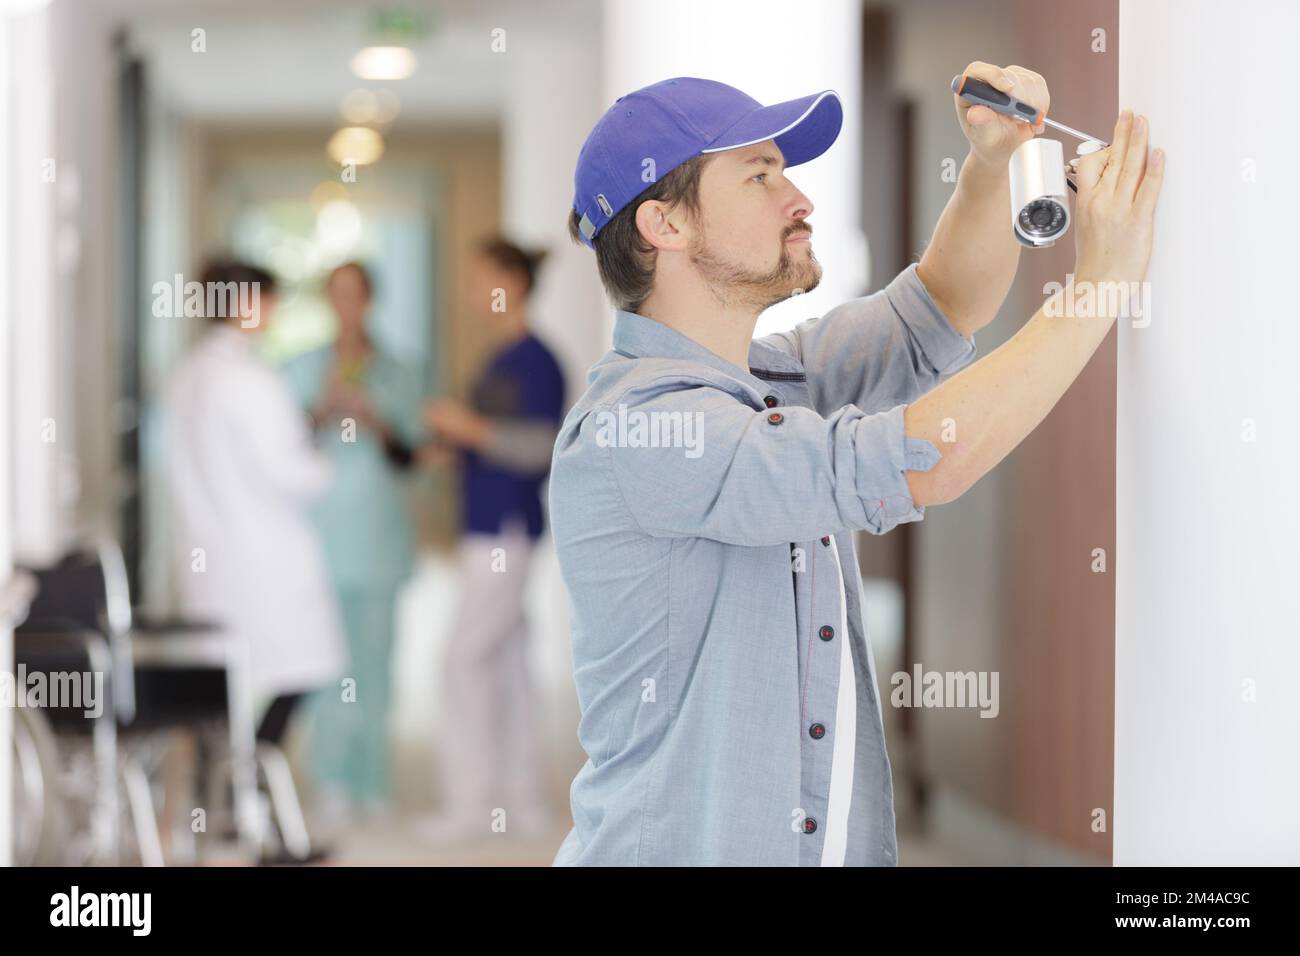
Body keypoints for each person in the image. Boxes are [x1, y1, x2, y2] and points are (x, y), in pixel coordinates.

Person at [550, 69, 1164, 865]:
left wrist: (988, 162)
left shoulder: (773, 384)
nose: (797, 198)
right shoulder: (639, 430)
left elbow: (938, 307)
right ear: (664, 224)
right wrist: (1098, 288)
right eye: (760, 176)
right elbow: (923, 458)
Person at [416, 238, 566, 842]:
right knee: (505, 663)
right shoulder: (497, 358)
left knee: (461, 661)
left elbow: (537, 447)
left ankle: (470, 806)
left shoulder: (536, 360)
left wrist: (466, 428)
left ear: (512, 282)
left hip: (505, 529)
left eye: (483, 279)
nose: (475, 292)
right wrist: (454, 448)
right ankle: (519, 803)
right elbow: (497, 441)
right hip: (487, 526)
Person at [164, 261, 347, 753]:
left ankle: (227, 792)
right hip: (265, 560)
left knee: (221, 682)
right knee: (300, 669)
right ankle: (251, 786)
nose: (272, 312)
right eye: (269, 301)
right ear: (247, 303)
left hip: (208, 557)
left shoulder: (184, 376)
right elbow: (292, 472)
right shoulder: (252, 379)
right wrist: (324, 461)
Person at [280, 262, 425, 824]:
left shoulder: (400, 371)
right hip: (320, 542)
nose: (346, 304)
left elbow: (416, 457)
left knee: (376, 665)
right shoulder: (300, 369)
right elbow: (282, 450)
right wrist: (321, 410)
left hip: (379, 541)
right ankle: (333, 777)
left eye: (355, 294)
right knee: (327, 670)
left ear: (369, 301)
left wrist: (379, 420)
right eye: (336, 294)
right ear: (326, 300)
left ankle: (372, 779)